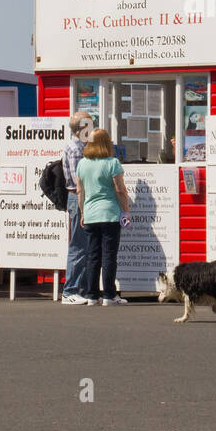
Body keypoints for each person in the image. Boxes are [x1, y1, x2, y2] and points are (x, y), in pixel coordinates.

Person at [75, 128, 131, 306]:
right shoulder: (112, 163)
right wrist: (126, 210)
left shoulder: (82, 163)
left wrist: (83, 212)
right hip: (109, 213)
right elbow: (120, 189)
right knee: (109, 256)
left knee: (92, 256)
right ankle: (109, 294)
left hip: (90, 214)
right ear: (106, 143)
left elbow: (79, 191)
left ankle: (92, 295)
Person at [61, 112, 95, 305]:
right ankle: (70, 290)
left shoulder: (84, 146)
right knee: (79, 246)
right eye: (89, 123)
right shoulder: (75, 148)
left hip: (83, 198)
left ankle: (80, 290)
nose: (92, 126)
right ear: (80, 129)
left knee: (86, 246)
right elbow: (77, 181)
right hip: (79, 198)